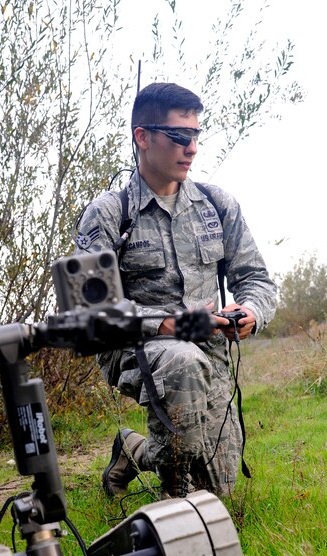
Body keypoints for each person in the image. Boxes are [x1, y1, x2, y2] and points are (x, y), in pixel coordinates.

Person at [75, 82, 277, 498]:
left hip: (210, 352)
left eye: (196, 136)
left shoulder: (216, 206)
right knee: (182, 362)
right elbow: (89, 305)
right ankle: (174, 507)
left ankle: (133, 450)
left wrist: (251, 313)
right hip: (135, 347)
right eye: (179, 136)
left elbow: (256, 278)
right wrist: (165, 325)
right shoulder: (110, 213)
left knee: (218, 489)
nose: (192, 148)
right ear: (143, 137)